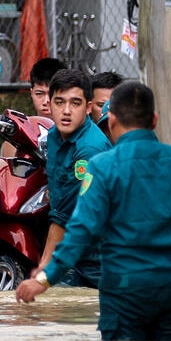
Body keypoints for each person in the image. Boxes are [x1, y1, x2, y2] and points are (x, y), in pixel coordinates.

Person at [16, 81, 171, 341]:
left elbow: (81, 232)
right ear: (155, 120)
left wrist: (44, 280)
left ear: (111, 120)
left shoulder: (101, 168)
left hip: (122, 294)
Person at [35, 68, 111, 288]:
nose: (66, 111)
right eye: (59, 102)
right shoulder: (52, 135)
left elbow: (66, 213)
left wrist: (45, 266)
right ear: (49, 104)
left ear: (88, 108)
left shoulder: (90, 149)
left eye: (75, 103)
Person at [1, 57, 67, 157]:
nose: (46, 101)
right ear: (31, 93)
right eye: (39, 94)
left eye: (51, 94)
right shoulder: (18, 135)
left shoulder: (75, 134)